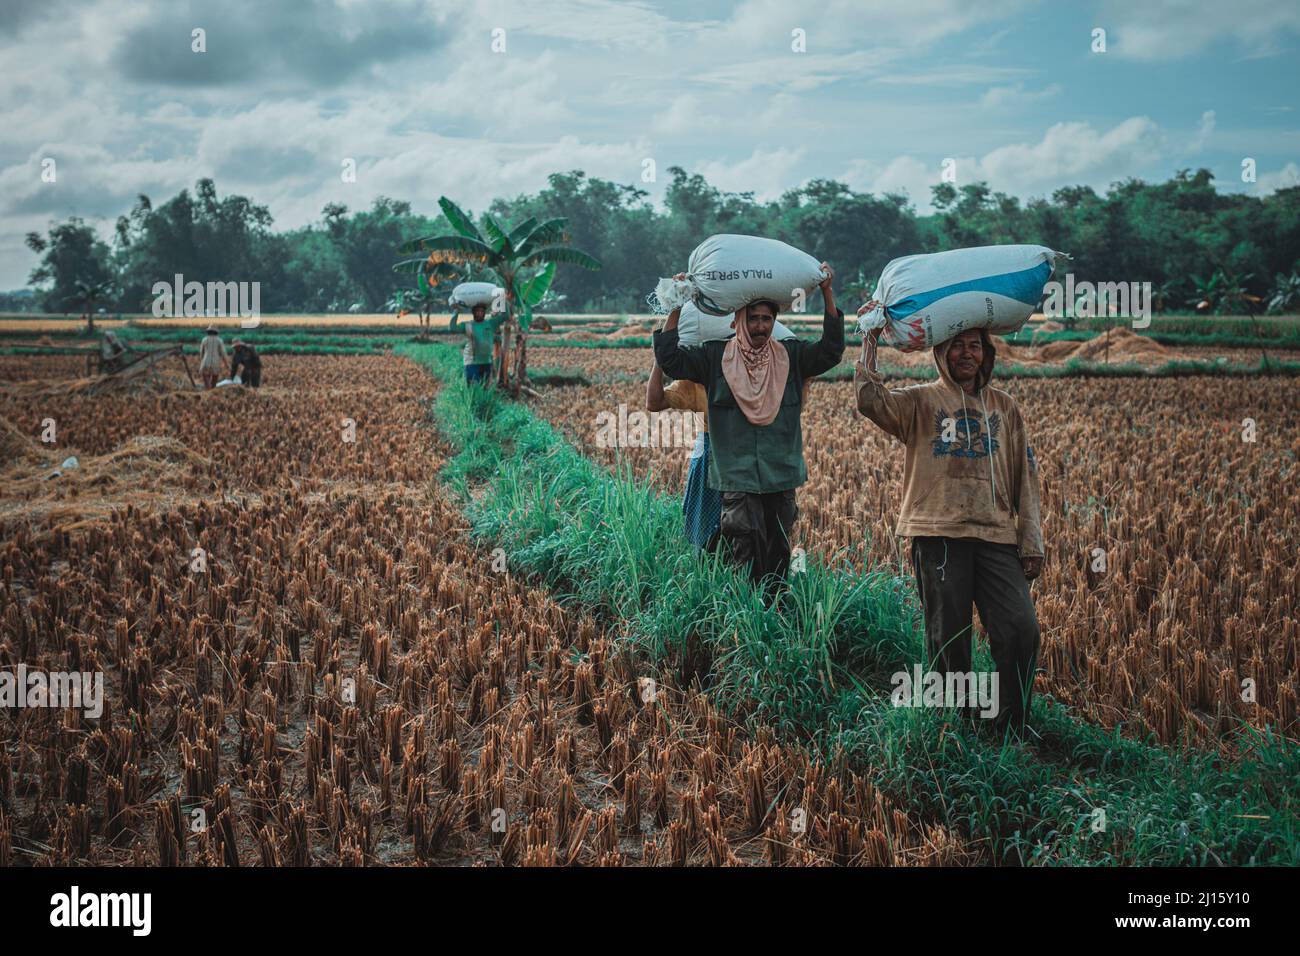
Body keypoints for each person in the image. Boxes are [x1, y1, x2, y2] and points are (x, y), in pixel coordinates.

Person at [854, 312, 1044, 737]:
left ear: (986, 353)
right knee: (948, 637)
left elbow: (1025, 477)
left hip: (996, 536)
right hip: (937, 534)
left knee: (1020, 628)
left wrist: (1031, 541)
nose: (966, 353)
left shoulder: (1005, 409)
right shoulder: (920, 402)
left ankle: (1009, 726)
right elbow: (869, 399)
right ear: (940, 353)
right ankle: (955, 726)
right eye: (956, 345)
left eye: (974, 344)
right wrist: (868, 338)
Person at [653, 264, 844, 592]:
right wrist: (677, 304)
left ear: (774, 322)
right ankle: (749, 621)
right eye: (753, 318)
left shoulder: (791, 356)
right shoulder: (715, 358)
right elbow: (671, 360)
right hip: (737, 476)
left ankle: (776, 620)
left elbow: (831, 351)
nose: (760, 327)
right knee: (744, 550)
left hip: (780, 474)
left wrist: (827, 292)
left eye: (766, 319)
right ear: (739, 320)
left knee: (778, 552)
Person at [646, 361, 718, 550]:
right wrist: (659, 359)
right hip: (709, 453)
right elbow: (654, 402)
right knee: (706, 530)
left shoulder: (748, 370)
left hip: (744, 454)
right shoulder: (695, 382)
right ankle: (708, 572)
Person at [450, 304, 505, 385]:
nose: (479, 313)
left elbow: (505, 316)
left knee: (485, 388)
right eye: (477, 311)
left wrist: (504, 300)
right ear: (473, 313)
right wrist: (457, 311)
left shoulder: (490, 323)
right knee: (474, 388)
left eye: (481, 311)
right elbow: (453, 327)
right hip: (471, 363)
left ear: (484, 313)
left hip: (487, 362)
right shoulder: (467, 325)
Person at [198, 325, 226, 389]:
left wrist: (201, 360)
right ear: (216, 332)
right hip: (216, 362)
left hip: (205, 362)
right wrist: (226, 364)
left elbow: (201, 352)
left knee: (206, 378)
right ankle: (212, 391)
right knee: (214, 380)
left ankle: (208, 390)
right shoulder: (219, 340)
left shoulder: (204, 340)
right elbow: (223, 353)